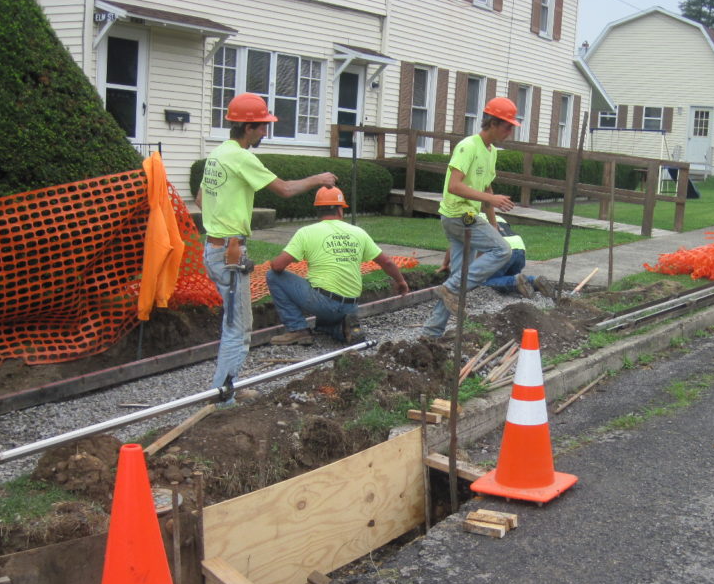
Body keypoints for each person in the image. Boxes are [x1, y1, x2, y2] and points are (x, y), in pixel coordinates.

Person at [196, 92, 336, 400]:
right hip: (229, 254)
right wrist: (318, 178)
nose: (265, 132)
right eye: (262, 127)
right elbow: (285, 190)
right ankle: (223, 398)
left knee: (232, 323)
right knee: (238, 329)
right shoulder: (242, 157)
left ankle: (226, 386)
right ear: (248, 128)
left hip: (215, 248)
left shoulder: (218, 154)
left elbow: (199, 200)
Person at [422, 97, 520, 338]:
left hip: (467, 216)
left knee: (459, 278)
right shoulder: (468, 146)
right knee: (503, 252)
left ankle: (431, 333)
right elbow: (454, 186)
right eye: (508, 126)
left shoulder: (491, 152)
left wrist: (494, 223)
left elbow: (486, 191)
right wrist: (493, 200)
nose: (510, 132)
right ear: (494, 123)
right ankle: (450, 288)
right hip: (457, 215)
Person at [266, 186, 409, 345]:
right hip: (351, 306)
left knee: (272, 276)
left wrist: (272, 262)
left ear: (318, 210)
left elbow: (278, 267)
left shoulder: (306, 232)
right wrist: (401, 282)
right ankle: (345, 329)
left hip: (323, 304)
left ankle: (298, 329)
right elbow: (387, 262)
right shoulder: (358, 232)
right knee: (323, 326)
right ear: (340, 211)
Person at [435, 217, 553, 299]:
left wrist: (445, 264)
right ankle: (534, 280)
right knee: (507, 277)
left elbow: (458, 244)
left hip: (503, 251)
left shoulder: (470, 218)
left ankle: (515, 282)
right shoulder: (497, 217)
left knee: (483, 281)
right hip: (520, 250)